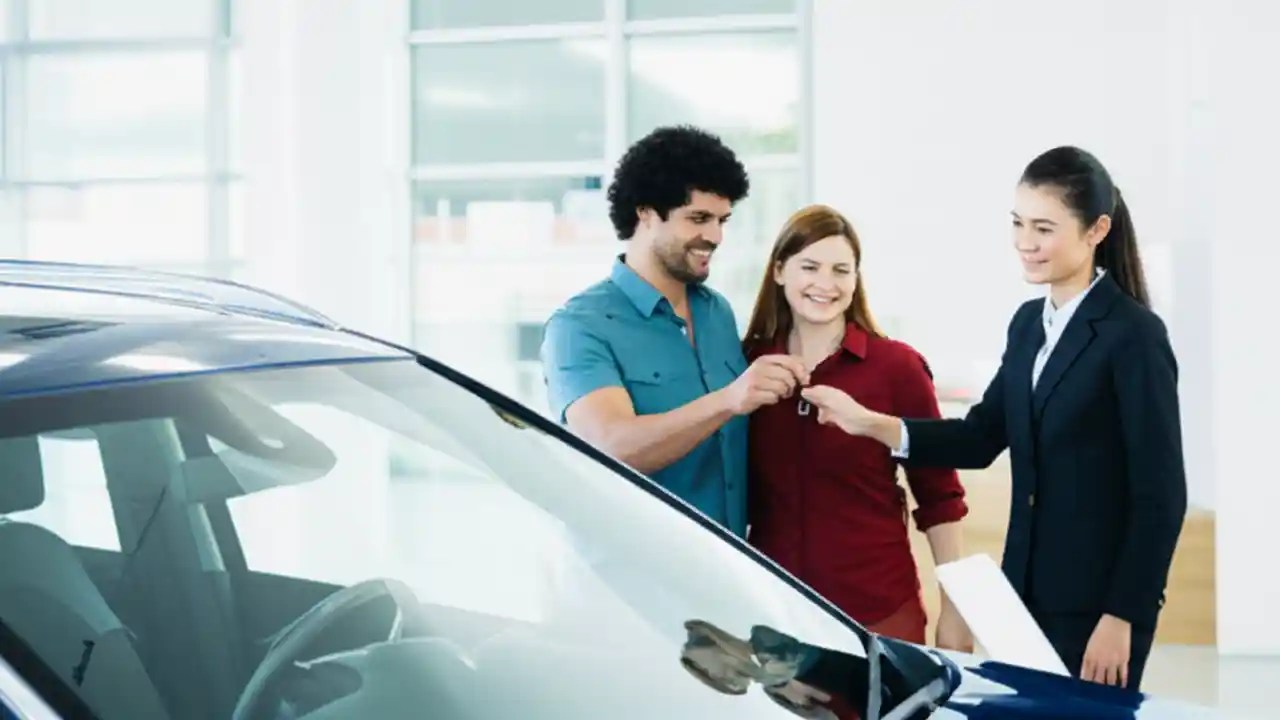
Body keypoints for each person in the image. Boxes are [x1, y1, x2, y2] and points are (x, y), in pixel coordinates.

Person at [799, 146, 1187, 691]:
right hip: (1023, 599)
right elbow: (981, 437)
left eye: (1044, 228)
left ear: (1097, 229)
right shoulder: (1030, 325)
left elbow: (1161, 496)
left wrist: (1123, 615)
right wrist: (871, 423)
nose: (1025, 242)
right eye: (1018, 224)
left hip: (1098, 609)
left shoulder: (1134, 336)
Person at [540, 125, 808, 537]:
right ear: (645, 214)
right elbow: (611, 445)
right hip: (633, 581)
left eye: (722, 220)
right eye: (698, 218)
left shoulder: (716, 311)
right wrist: (729, 400)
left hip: (733, 567)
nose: (715, 236)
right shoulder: (578, 327)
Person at [741, 204, 973, 651]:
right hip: (774, 614)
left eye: (841, 270)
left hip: (880, 613)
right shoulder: (747, 366)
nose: (825, 284)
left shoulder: (897, 367)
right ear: (779, 271)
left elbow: (941, 498)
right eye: (809, 267)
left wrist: (956, 615)